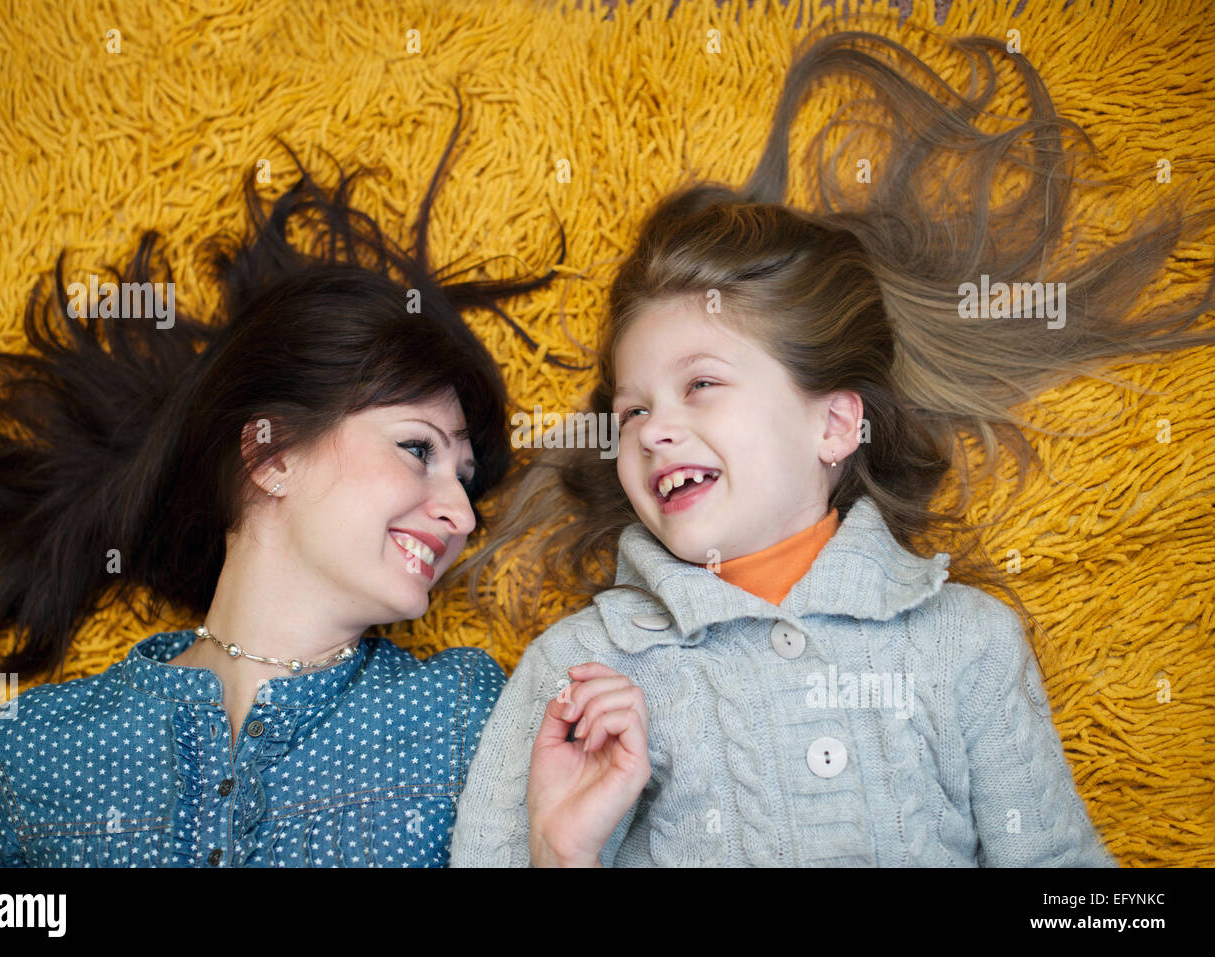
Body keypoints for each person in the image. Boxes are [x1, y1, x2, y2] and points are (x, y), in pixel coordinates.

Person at [449, 27, 1215, 866]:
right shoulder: (579, 671)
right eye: (631, 411)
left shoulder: (967, 642)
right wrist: (563, 852)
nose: (653, 429)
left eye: (701, 383)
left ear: (835, 425)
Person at [0, 107, 563, 866]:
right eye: (417, 448)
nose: (461, 513)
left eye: (464, 478)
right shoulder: (39, 748)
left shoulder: (465, 715)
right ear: (269, 455)